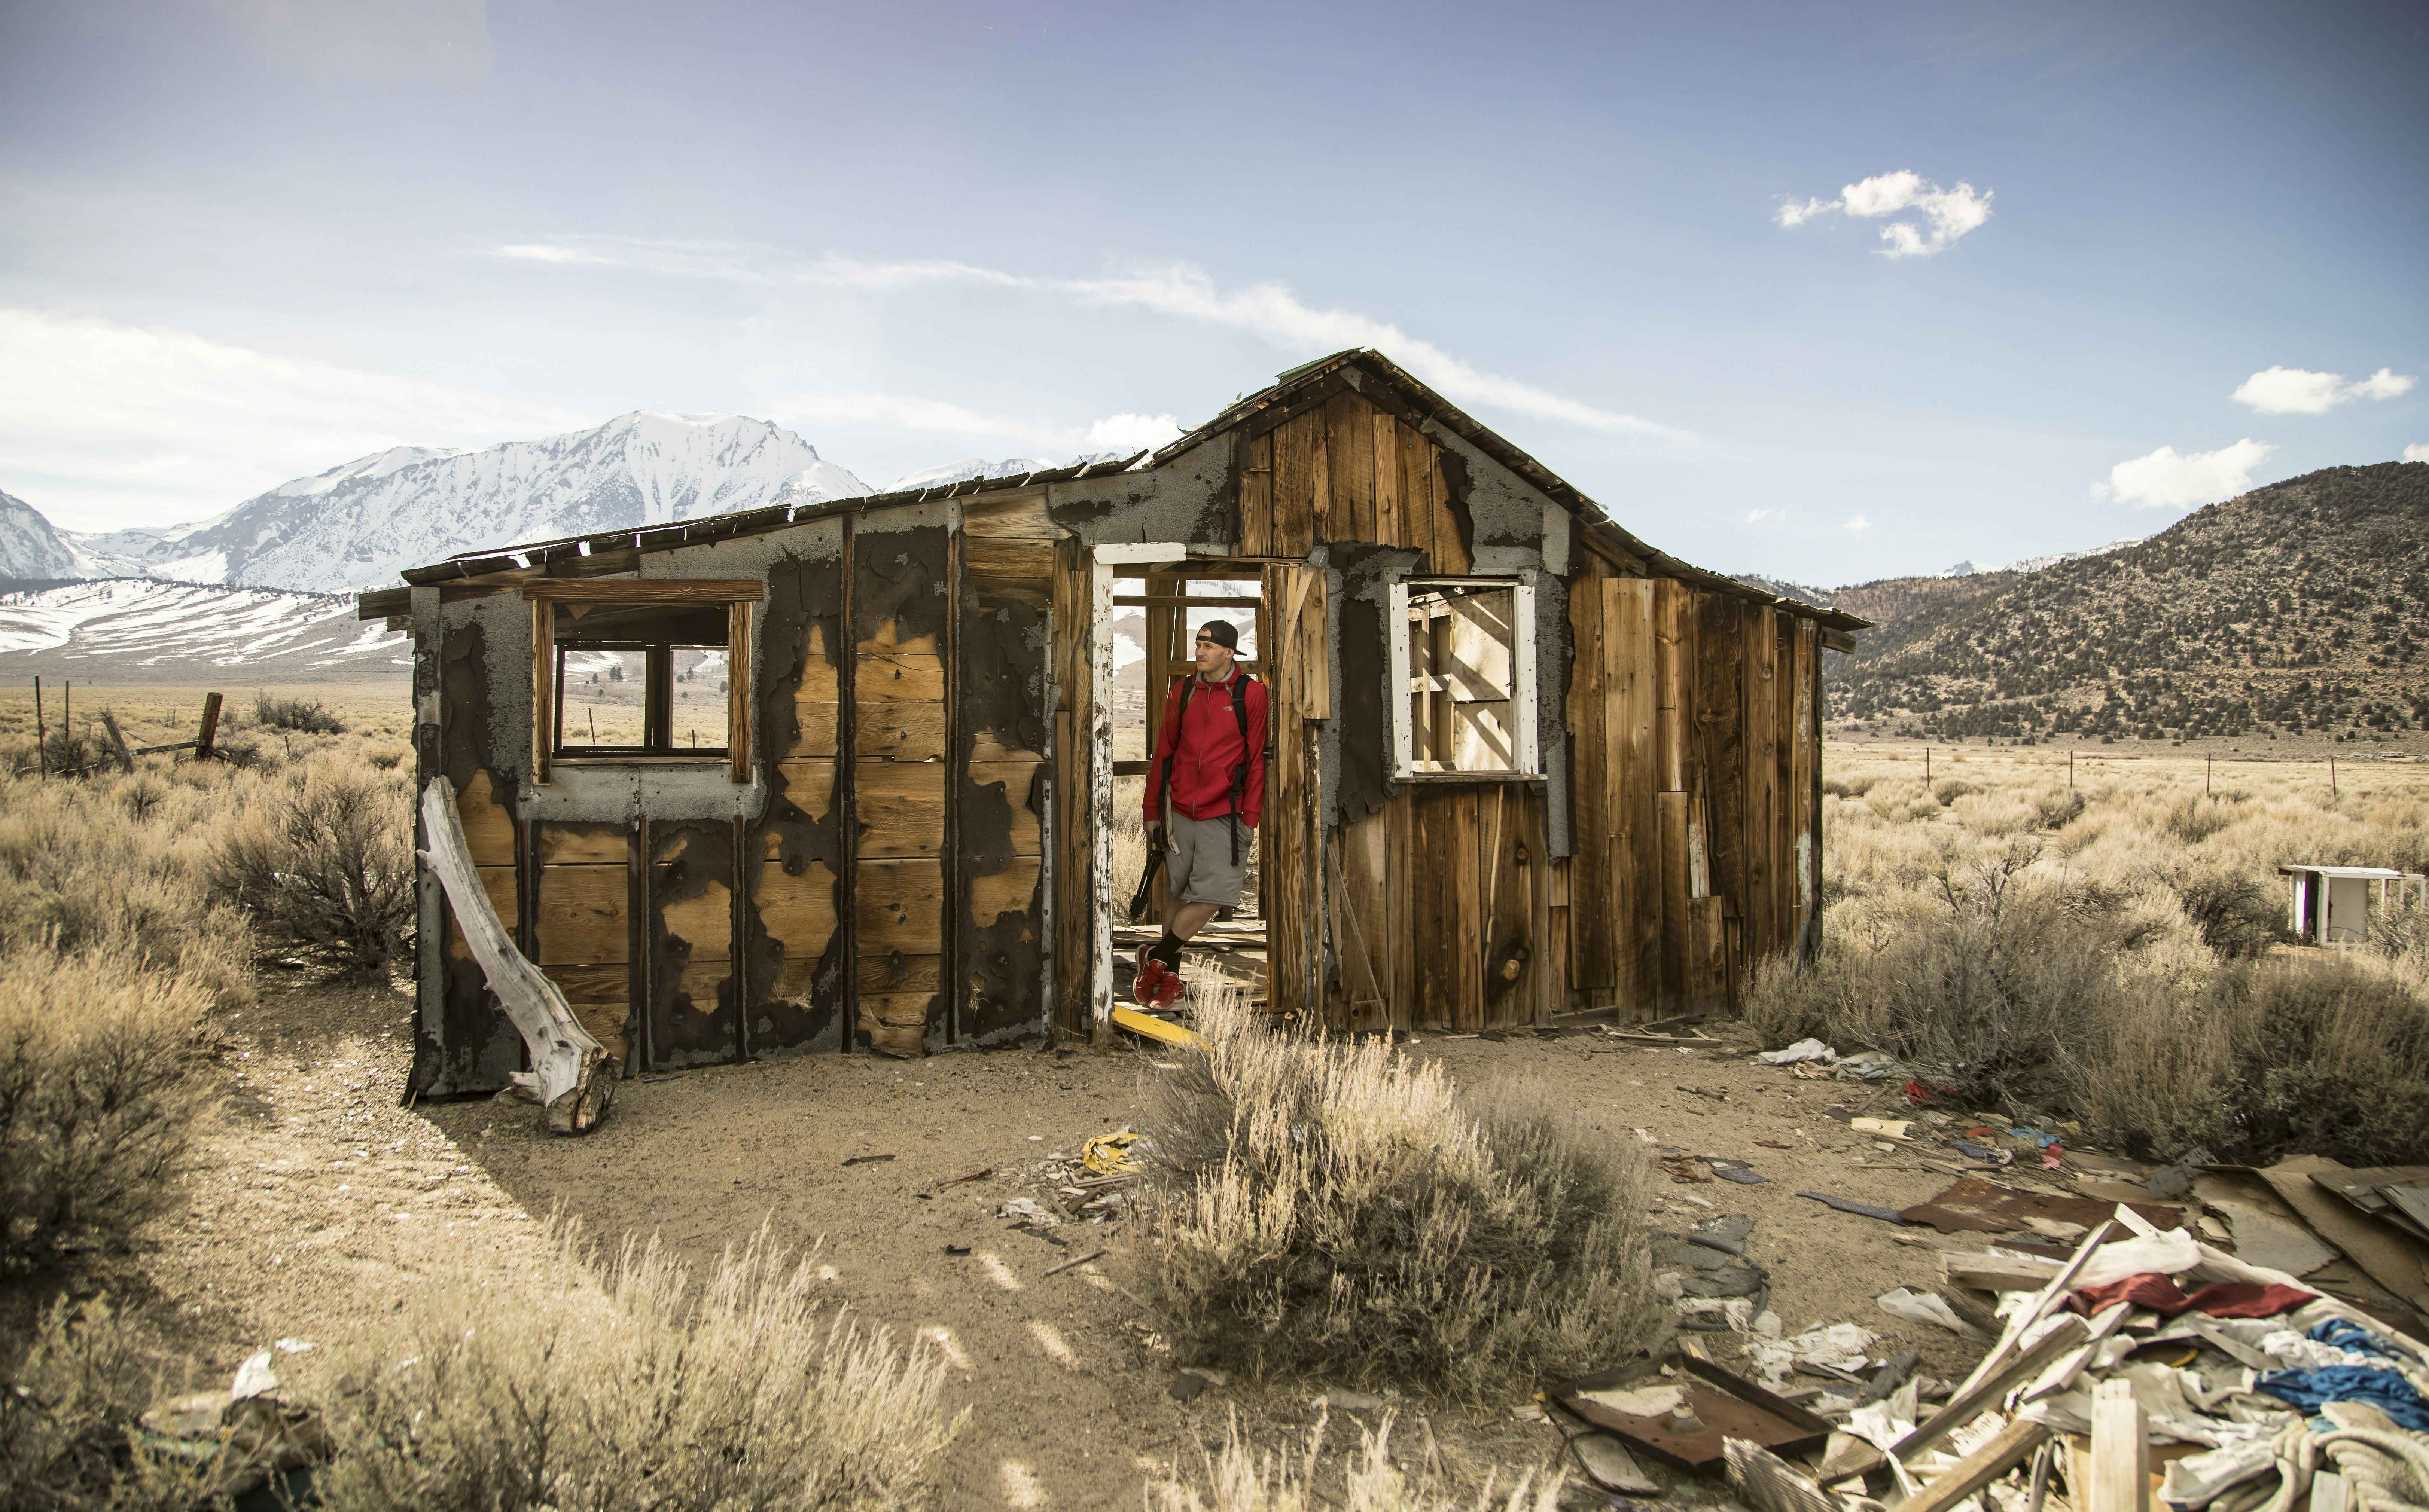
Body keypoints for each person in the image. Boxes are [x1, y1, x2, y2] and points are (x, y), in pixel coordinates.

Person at [1135, 618, 1267, 1008]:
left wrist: (1251, 818)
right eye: (1198, 644)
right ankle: (1169, 980)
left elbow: (1258, 758)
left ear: (1229, 653)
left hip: (1225, 813)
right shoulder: (1183, 692)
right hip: (1178, 809)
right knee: (1176, 893)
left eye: (1209, 646)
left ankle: (1156, 956)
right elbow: (1164, 752)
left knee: (1212, 897)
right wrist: (1151, 809)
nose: (1200, 652)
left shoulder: (1252, 695)